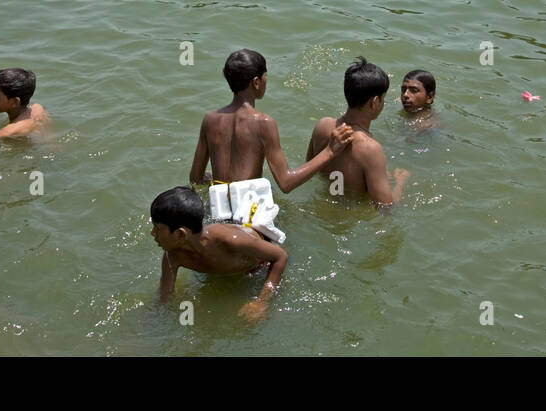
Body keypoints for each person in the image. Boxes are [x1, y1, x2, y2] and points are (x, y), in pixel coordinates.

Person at [189, 49, 352, 191]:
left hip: (219, 207)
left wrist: (225, 184)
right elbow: (286, 182)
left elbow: (196, 178)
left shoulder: (209, 119)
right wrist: (329, 151)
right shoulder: (263, 123)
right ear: (257, 82)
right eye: (265, 76)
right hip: (247, 213)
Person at [150, 186, 286, 322]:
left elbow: (280, 257)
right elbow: (165, 298)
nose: (152, 233)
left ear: (180, 234)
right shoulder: (172, 256)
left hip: (255, 263)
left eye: (157, 228)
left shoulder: (231, 241)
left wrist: (262, 301)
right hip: (223, 267)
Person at [305, 57, 409, 207]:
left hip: (321, 204)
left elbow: (310, 168)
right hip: (347, 219)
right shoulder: (370, 149)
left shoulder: (322, 125)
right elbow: (385, 207)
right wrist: (400, 182)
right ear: (374, 102)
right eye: (383, 99)